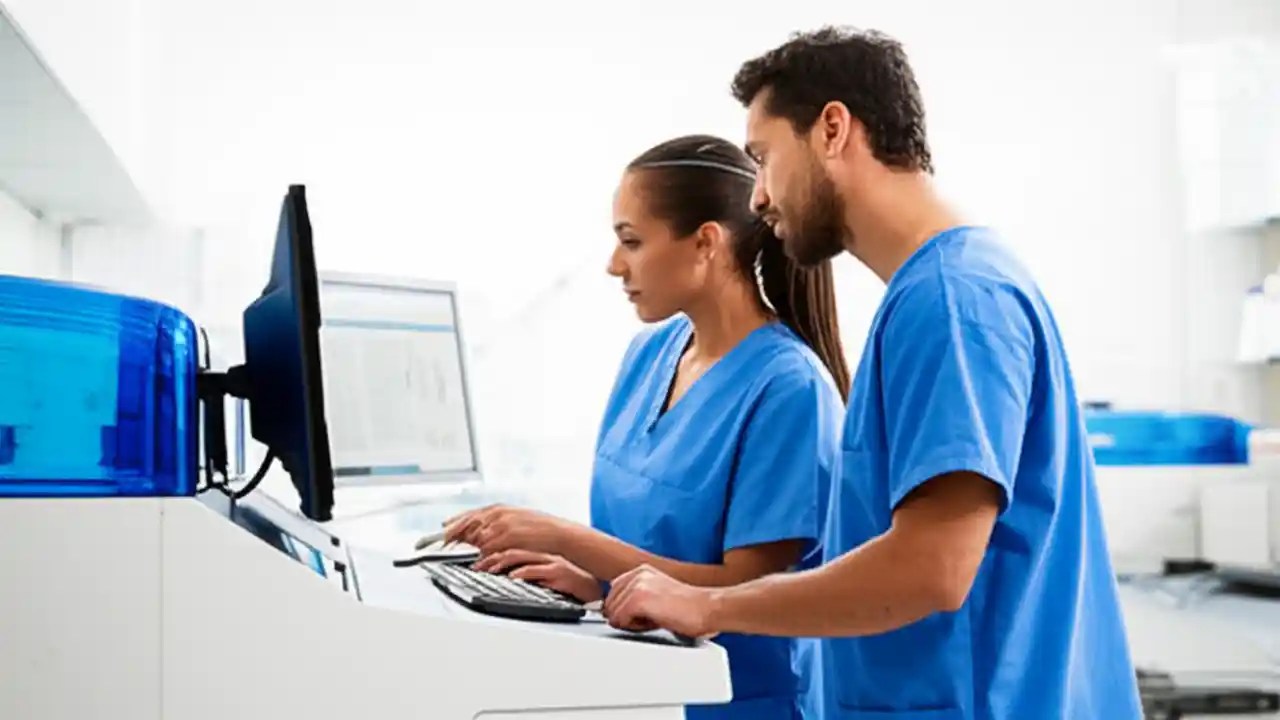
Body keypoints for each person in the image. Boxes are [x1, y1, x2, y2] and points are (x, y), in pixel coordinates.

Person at [601, 27, 1144, 720]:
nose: (759, 200)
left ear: (832, 129)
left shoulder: (952, 300)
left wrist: (705, 604)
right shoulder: (936, 293)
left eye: (765, 160)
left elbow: (932, 571)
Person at [442, 134, 850, 720]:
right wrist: (593, 581)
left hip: (748, 705)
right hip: (655, 688)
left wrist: (562, 537)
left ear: (706, 242)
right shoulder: (649, 355)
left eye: (631, 241)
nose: (614, 265)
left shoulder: (789, 388)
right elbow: (656, 551)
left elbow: (740, 589)